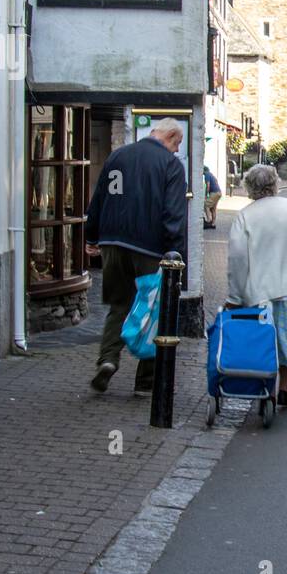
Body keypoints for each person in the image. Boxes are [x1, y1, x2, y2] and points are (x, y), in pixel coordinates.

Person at [85, 119, 188, 397]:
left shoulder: (118, 155)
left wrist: (92, 236)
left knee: (119, 305)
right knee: (153, 310)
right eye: (177, 144)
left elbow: (99, 199)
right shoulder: (170, 166)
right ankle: (144, 383)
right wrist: (174, 254)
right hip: (149, 248)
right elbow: (173, 215)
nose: (177, 150)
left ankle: (107, 359)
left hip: (113, 244)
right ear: (169, 136)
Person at [226, 164, 287, 406]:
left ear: (249, 188)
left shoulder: (245, 216)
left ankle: (267, 389)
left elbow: (237, 260)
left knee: (263, 343)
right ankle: (285, 387)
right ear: (275, 183)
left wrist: (234, 297)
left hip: (260, 294)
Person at [202, 164, 222, 229]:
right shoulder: (211, 175)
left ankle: (209, 221)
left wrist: (206, 195)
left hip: (214, 193)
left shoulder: (207, 174)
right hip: (219, 193)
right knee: (213, 209)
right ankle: (213, 224)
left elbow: (208, 185)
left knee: (206, 205)